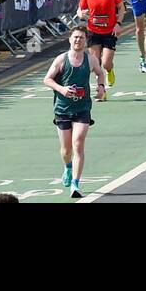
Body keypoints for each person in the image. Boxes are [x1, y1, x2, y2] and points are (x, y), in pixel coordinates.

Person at [44, 27, 102, 198]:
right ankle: (68, 167)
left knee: (78, 143)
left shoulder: (90, 59)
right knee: (66, 149)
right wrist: (61, 89)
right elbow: (47, 79)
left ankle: (76, 184)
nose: (78, 41)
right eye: (75, 37)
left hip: (82, 108)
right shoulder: (61, 60)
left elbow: (100, 73)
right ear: (70, 39)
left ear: (85, 41)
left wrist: (100, 86)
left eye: (82, 38)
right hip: (62, 109)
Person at [76, 0, 124, 92]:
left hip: (109, 31)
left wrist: (118, 24)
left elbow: (121, 7)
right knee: (95, 63)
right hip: (93, 31)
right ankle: (101, 90)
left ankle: (109, 70)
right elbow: (80, 9)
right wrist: (81, 14)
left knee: (106, 63)